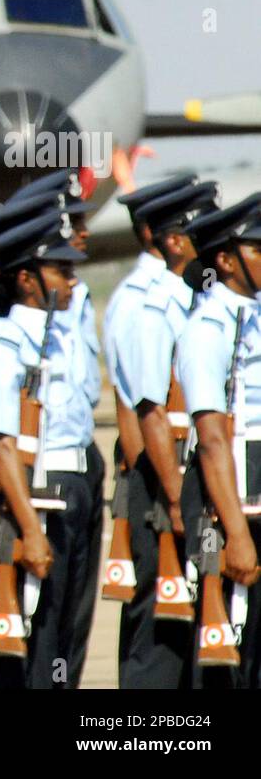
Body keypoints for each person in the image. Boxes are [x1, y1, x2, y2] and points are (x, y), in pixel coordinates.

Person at [0, 211, 91, 689]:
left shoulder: (58, 331)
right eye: (59, 271)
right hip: (35, 495)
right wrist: (29, 528)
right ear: (26, 279)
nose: (70, 280)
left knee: (66, 633)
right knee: (28, 642)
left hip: (71, 486)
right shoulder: (4, 342)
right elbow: (1, 443)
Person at [116, 181, 219, 689]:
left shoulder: (200, 301)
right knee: (159, 635)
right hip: (165, 482)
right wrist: (177, 500)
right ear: (176, 241)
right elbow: (150, 412)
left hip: (197, 478)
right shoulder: (153, 309)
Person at [176, 193, 261, 688]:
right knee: (229, 658)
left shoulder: (252, 317)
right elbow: (211, 440)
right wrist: (238, 535)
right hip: (230, 508)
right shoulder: (207, 330)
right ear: (226, 261)